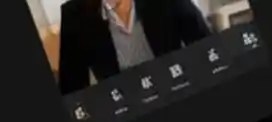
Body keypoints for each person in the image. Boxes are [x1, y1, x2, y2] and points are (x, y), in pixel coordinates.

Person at [58, 0, 212, 94]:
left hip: (177, 94)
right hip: (124, 114)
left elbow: (208, 50)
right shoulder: (75, 15)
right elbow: (71, 91)